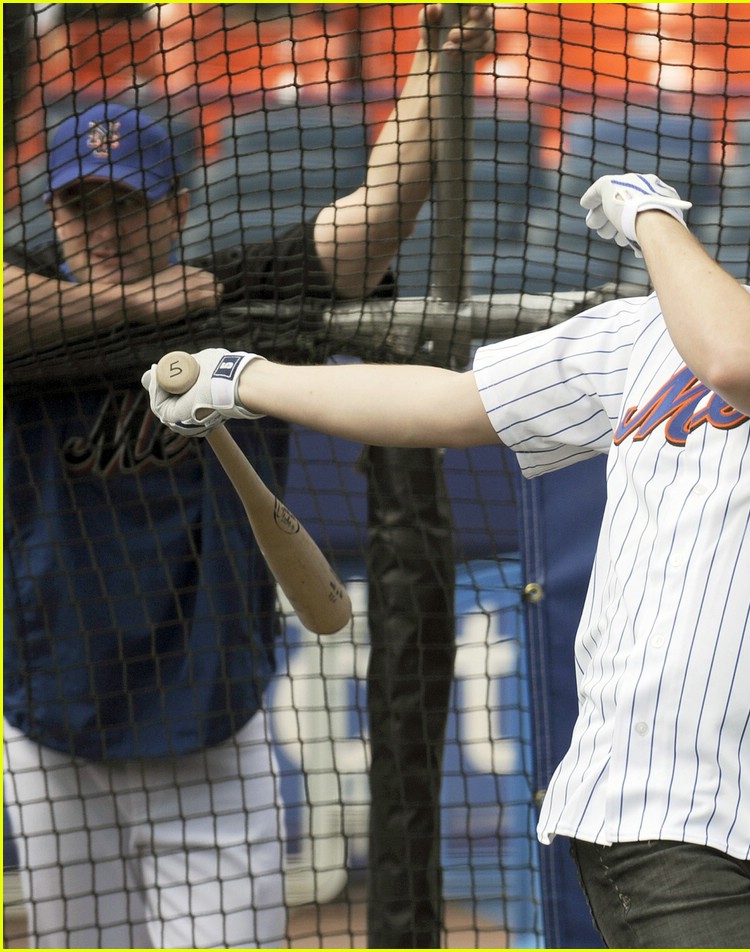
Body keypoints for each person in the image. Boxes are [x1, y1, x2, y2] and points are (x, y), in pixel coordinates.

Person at [142, 56, 750, 948]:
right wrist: (249, 379)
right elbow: (449, 404)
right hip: (658, 806)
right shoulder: (647, 334)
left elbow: (743, 360)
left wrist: (652, 216)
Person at [3, 6, 494, 948]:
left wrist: (436, 63)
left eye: (127, 202)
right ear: (52, 209)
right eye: (82, 204)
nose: (102, 225)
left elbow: (372, 227)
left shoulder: (232, 291)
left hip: (210, 728)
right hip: (50, 723)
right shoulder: (27, 289)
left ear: (178, 204)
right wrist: (129, 302)